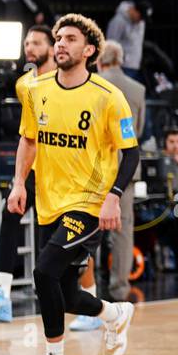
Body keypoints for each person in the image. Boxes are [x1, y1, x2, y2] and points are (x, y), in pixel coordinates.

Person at [7, 14, 141, 355]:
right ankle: (114, 313)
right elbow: (28, 140)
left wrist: (113, 197)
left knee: (44, 272)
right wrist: (19, 183)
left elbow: (131, 154)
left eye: (69, 39)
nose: (61, 44)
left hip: (89, 204)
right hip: (49, 200)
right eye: (58, 38)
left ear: (90, 50)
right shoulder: (37, 89)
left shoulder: (108, 97)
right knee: (65, 296)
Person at [0, 25, 55, 323]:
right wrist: (19, 178)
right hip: (34, 167)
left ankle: (91, 298)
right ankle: (3, 296)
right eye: (26, 43)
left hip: (64, 171)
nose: (29, 48)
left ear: (52, 46)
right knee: (10, 216)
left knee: (59, 235)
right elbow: (28, 134)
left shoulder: (67, 81)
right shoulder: (24, 85)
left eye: (36, 43)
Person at [72, 38, 147, 327]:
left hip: (94, 169)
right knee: (123, 230)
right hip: (126, 170)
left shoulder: (90, 85)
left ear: (98, 59)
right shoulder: (138, 89)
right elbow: (135, 133)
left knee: (89, 231)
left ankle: (91, 290)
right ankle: (120, 289)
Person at [105, 0, 148, 82]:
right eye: (140, 16)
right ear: (134, 10)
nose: (141, 20)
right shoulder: (118, 21)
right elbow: (111, 43)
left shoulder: (141, 23)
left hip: (135, 65)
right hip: (122, 67)